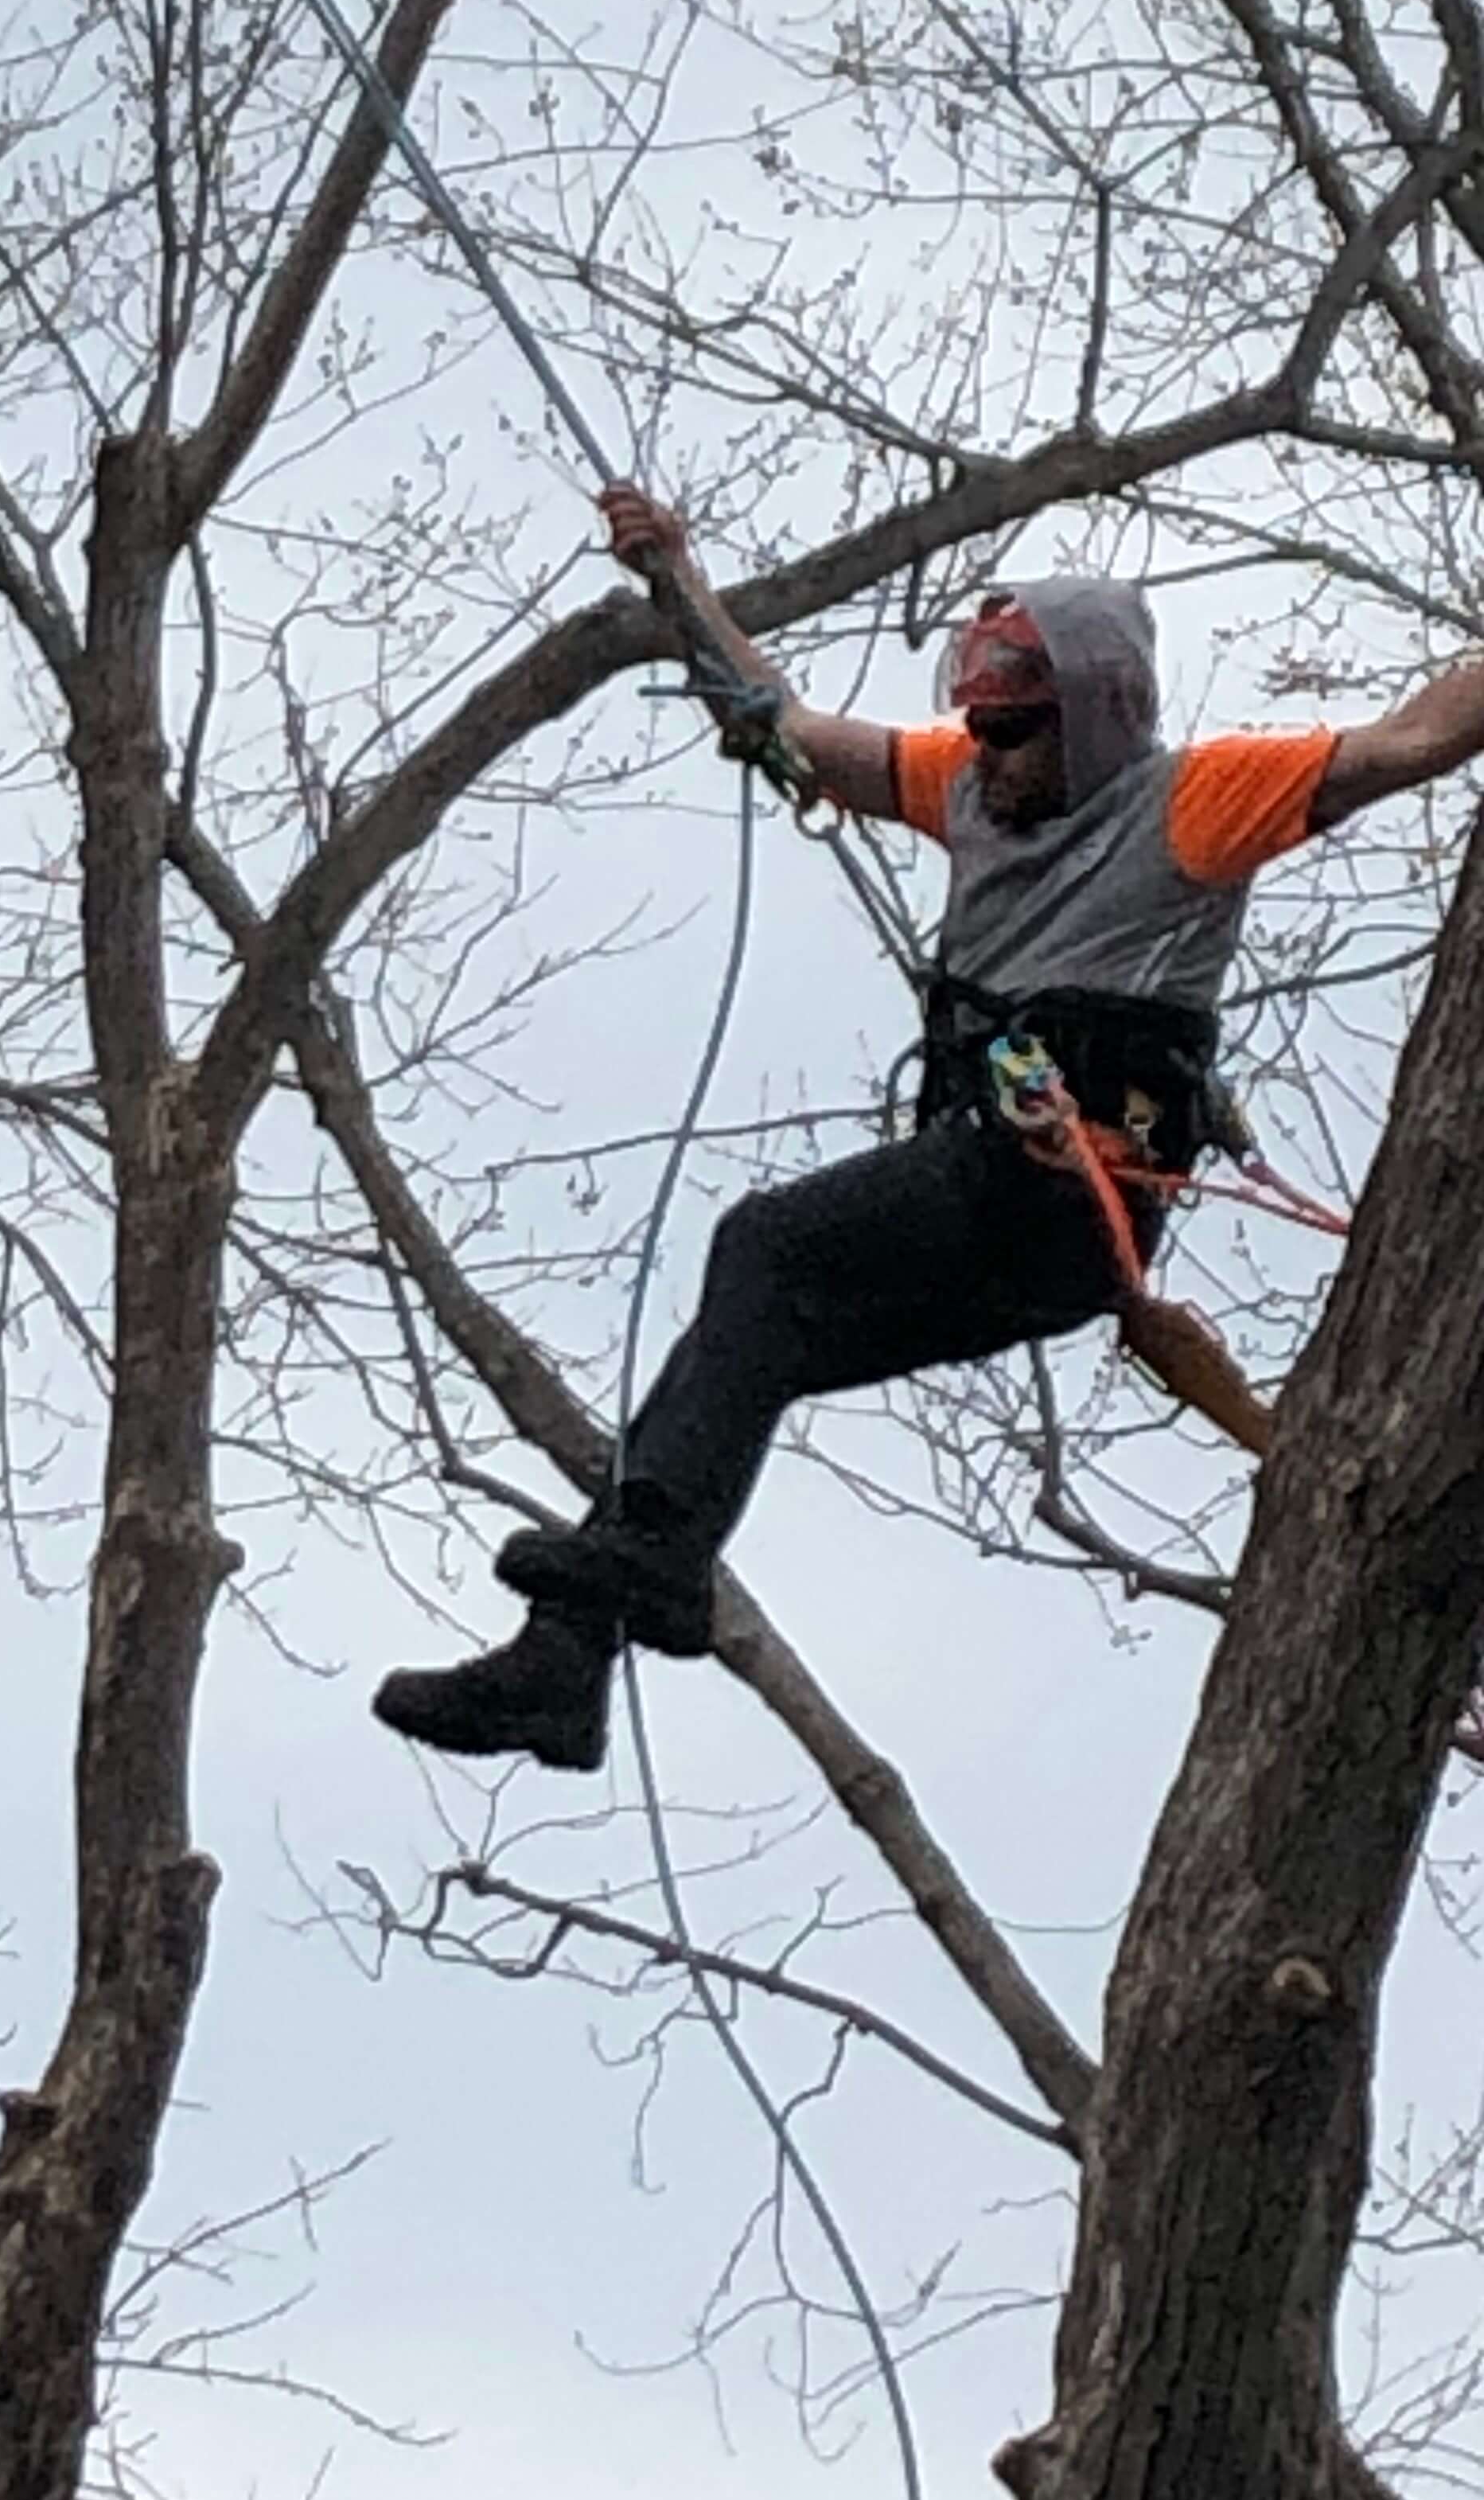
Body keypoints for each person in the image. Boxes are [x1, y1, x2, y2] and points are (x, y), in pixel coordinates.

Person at [372, 484, 1484, 1773]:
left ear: (1093, 719)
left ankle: (651, 1567)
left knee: (766, 1244)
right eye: (980, 726)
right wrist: (679, 575)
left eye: (1014, 733)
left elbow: (1408, 744)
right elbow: (784, 721)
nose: (987, 753)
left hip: (1069, 1197)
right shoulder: (962, 781)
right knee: (763, 1329)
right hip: (992, 1213)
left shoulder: (1198, 802)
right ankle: (565, 1665)